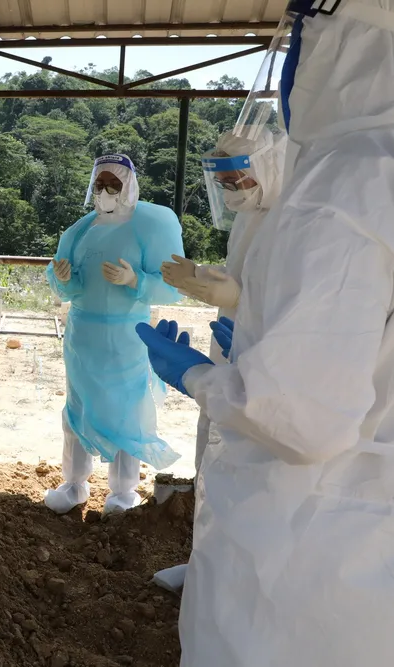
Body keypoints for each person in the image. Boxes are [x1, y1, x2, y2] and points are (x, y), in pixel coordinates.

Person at [136, 2, 394, 664]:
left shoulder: (343, 179)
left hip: (313, 539)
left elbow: (301, 419)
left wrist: (194, 372)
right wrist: (247, 312)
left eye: (304, 35)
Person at [44, 154, 184, 516]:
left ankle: (123, 492)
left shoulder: (150, 225)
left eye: (113, 185)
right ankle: (74, 484)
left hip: (127, 337)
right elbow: (71, 288)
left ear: (129, 187)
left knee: (127, 413)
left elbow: (172, 287)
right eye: (99, 185)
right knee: (77, 411)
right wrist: (63, 277)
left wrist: (136, 280)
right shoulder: (81, 229)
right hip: (83, 337)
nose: (105, 192)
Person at [162, 127, 286, 470]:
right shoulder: (251, 214)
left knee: (253, 435)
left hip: (270, 353)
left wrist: (242, 298)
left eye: (236, 180)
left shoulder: (295, 218)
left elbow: (299, 296)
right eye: (223, 183)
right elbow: (241, 268)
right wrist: (199, 275)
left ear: (268, 168)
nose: (230, 191)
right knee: (219, 417)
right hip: (232, 338)